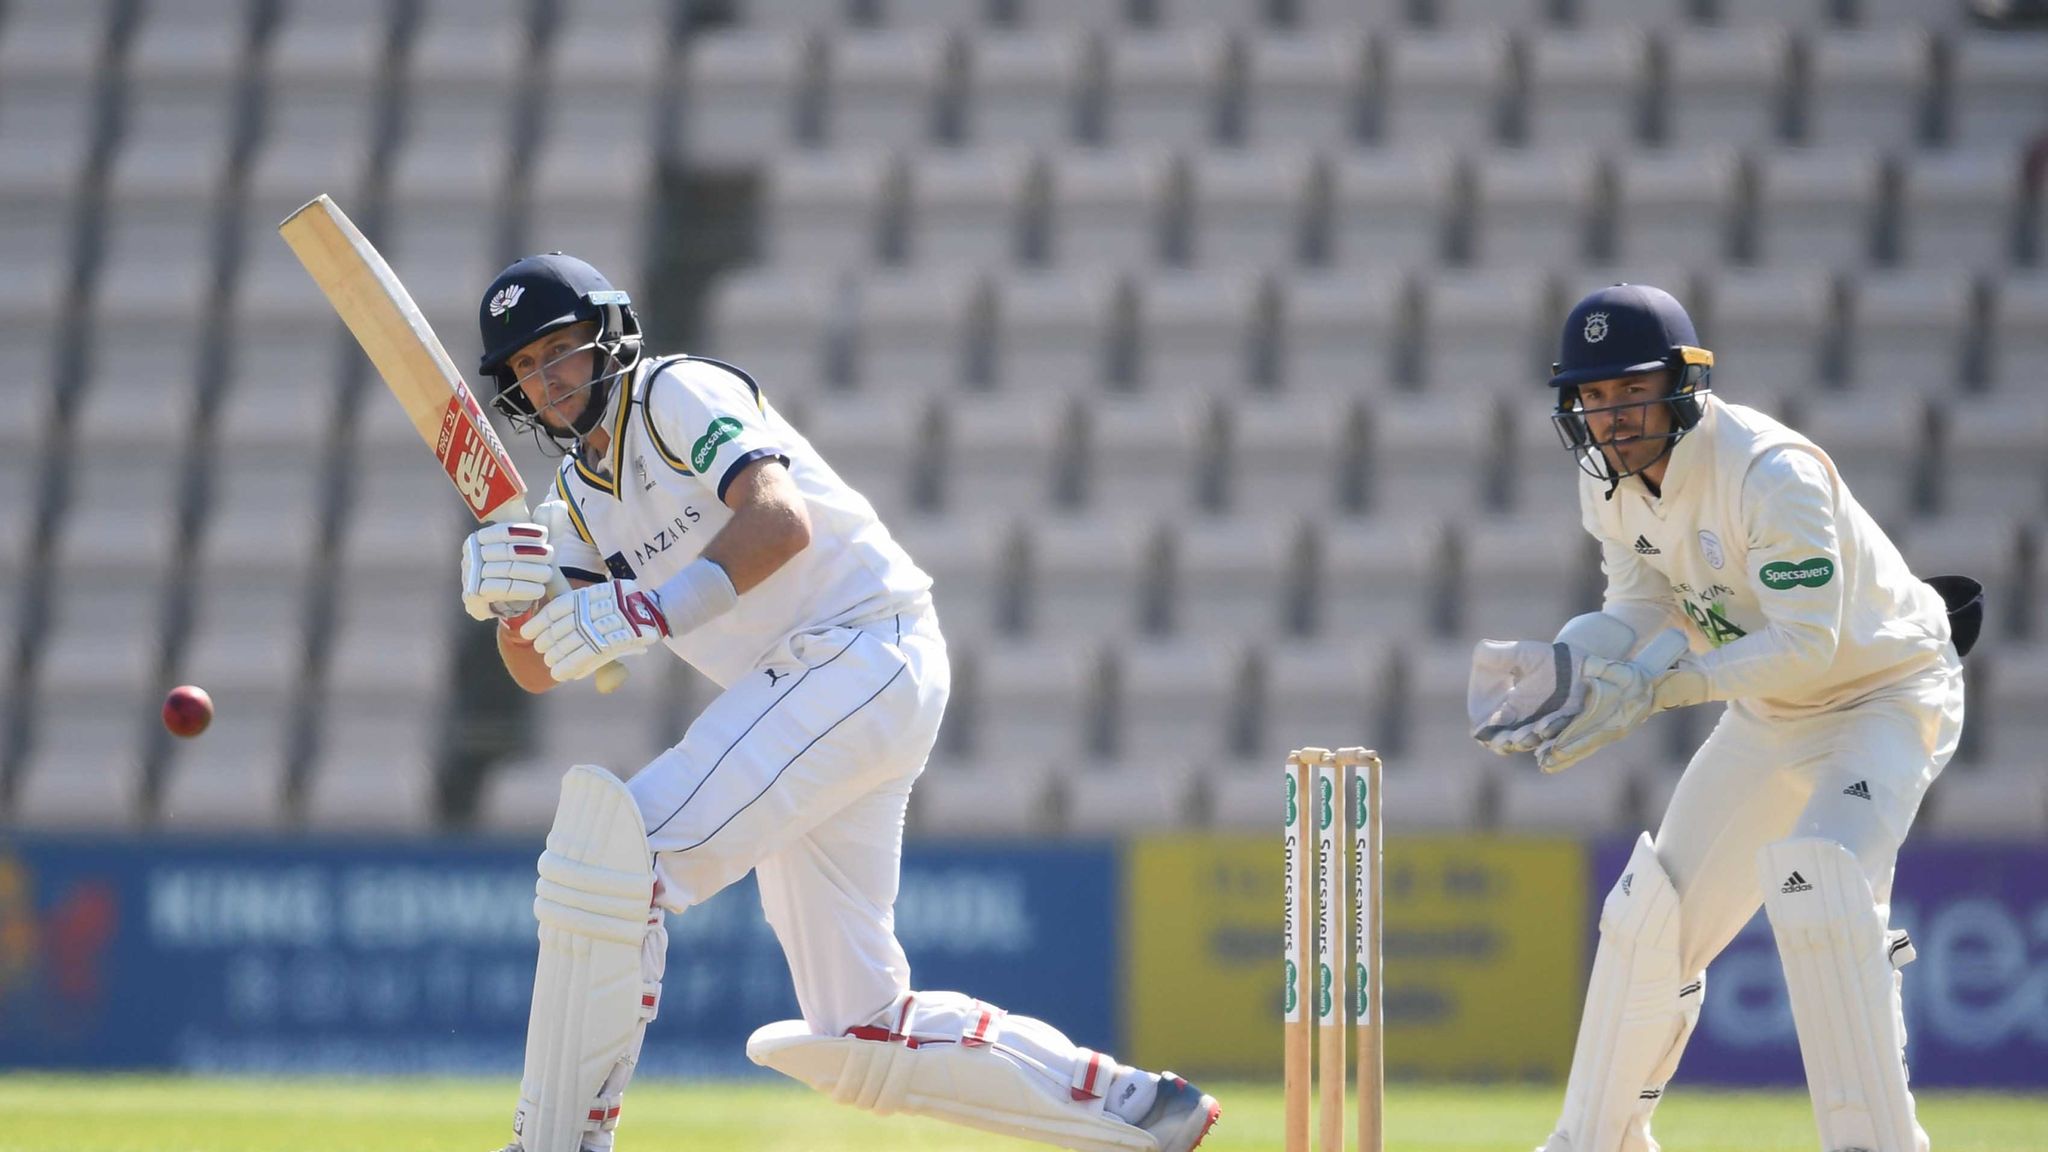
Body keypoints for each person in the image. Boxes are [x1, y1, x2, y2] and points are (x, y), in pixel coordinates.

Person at [455, 252, 1220, 1152]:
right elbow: (540, 668)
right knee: (863, 1029)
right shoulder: (578, 504)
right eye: (527, 370)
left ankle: (556, 1144)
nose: (548, 382)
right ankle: (1137, 1109)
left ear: (606, 335)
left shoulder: (675, 396)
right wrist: (515, 604)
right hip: (831, 692)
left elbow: (780, 519)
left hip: (860, 647)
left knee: (622, 860)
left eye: (561, 351)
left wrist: (642, 608)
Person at [1467, 284, 1979, 1152]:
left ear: (1683, 383)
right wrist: (1572, 666)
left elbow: (1806, 647)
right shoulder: (1612, 487)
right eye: (1593, 398)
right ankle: (1595, 1141)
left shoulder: (1771, 475)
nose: (1612, 418)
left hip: (1885, 693)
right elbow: (1638, 601)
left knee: (1824, 885)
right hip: (1769, 712)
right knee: (1651, 911)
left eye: (1630, 391)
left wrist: (1658, 690)